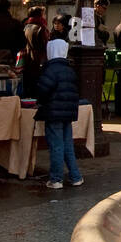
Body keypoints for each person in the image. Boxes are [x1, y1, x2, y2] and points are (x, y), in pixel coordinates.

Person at [36, 38, 84, 190]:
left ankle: (56, 179)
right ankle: (76, 176)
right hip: (68, 113)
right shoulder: (69, 69)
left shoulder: (50, 70)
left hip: (53, 112)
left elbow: (42, 90)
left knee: (56, 146)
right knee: (67, 145)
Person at [21, 6, 49, 97]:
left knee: (29, 82)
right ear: (40, 14)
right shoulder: (40, 27)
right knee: (38, 83)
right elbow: (45, 45)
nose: (44, 15)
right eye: (43, 13)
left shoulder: (27, 26)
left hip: (27, 58)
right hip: (38, 59)